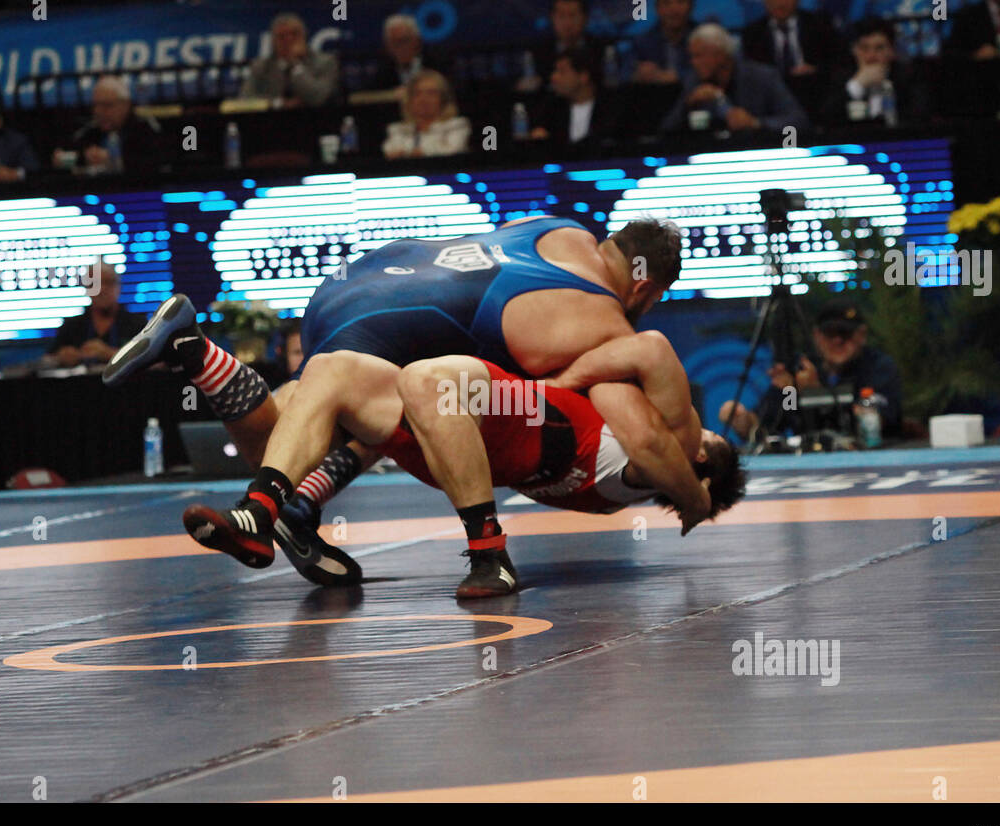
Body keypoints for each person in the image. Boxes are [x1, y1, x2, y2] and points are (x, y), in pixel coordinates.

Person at [102, 215, 688, 593]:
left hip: (365, 277)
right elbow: (552, 398)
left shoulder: (565, 230)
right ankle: (206, 367)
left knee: (353, 408)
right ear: (645, 288)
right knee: (315, 430)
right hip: (395, 325)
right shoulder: (604, 320)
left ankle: (280, 500)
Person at [182, 341, 745, 596]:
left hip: (524, 417)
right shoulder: (630, 475)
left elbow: (648, 349)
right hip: (465, 445)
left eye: (705, 434)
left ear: (697, 459)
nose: (692, 417)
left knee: (426, 380)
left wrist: (695, 503)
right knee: (329, 370)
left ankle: (490, 556)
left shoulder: (648, 456)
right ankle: (262, 512)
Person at [719, 299, 903, 441]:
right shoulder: (801, 368)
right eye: (830, 333)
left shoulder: (878, 368)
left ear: (861, 335)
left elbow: (875, 423)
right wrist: (742, 420)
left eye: (845, 333)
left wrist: (815, 393)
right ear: (817, 336)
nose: (837, 341)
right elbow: (770, 425)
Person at [660, 24, 808, 135]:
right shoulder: (694, 81)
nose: (693, 62)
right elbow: (665, 131)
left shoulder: (762, 77)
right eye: (692, 56)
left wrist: (756, 123)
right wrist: (688, 104)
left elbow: (799, 121)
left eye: (699, 56)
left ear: (720, 54)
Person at [820, 17, 932, 126]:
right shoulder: (842, 77)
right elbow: (825, 120)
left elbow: (920, 117)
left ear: (892, 51)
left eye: (879, 48)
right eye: (864, 48)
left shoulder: (909, 76)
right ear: (854, 51)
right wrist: (857, 85)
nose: (871, 56)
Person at [740, 0, 842, 114]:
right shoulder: (752, 34)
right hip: (772, 100)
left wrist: (815, 70)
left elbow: (840, 63)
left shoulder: (820, 24)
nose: (780, 3)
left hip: (815, 93)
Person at [54, 76, 163, 175]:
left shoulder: (144, 130)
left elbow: (155, 162)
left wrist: (113, 161)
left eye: (106, 105)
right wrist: (66, 159)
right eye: (95, 106)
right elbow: (72, 154)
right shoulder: (89, 131)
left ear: (125, 105)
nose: (99, 112)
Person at [46, 263, 144, 370]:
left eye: (108, 282)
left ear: (118, 287)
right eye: (95, 284)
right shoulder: (71, 326)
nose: (102, 289)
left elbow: (152, 360)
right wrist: (60, 357)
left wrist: (110, 354)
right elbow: (46, 360)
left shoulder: (138, 324)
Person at [239, 12, 340, 107]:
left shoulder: (325, 62)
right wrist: (278, 103)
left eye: (294, 34)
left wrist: (295, 65)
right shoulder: (261, 66)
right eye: (282, 37)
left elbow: (319, 98)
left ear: (304, 36)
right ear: (273, 41)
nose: (288, 40)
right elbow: (245, 100)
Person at [528, 46, 619, 149]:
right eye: (555, 71)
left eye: (562, 72)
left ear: (583, 76)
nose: (554, 77)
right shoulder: (551, 109)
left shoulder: (612, 108)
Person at [380, 69, 470, 159]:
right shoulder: (397, 129)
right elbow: (390, 152)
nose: (423, 99)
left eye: (431, 93)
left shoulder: (457, 125)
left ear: (443, 99)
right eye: (417, 94)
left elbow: (452, 151)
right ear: (409, 100)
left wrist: (417, 153)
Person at [371, 13, 447, 91]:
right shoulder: (382, 71)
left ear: (417, 41)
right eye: (394, 43)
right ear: (387, 46)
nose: (400, 47)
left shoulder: (438, 63)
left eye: (404, 40)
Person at [633, 0, 699, 86]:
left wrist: (676, 76)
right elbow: (624, 73)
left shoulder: (703, 39)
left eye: (680, 2)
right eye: (666, 3)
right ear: (657, 9)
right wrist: (638, 74)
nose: (674, 9)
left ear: (691, 6)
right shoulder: (643, 42)